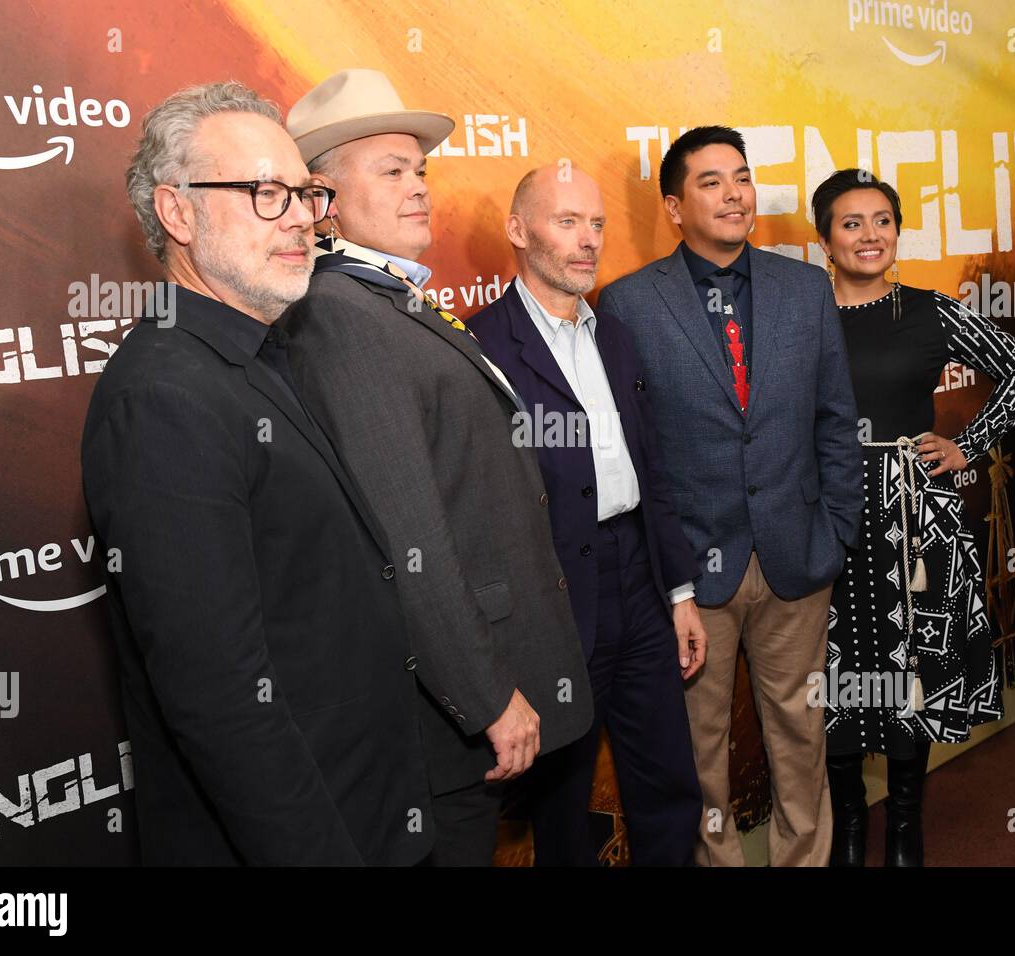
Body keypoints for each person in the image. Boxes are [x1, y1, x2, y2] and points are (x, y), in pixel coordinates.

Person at [81, 81, 431, 865]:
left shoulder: (259, 352)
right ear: (177, 213)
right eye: (265, 194)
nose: (304, 216)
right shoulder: (163, 398)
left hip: (369, 813)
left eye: (304, 192)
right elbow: (221, 701)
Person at [281, 69, 593, 865]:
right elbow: (406, 533)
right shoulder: (340, 318)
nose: (419, 187)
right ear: (322, 198)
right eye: (391, 171)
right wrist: (486, 696)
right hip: (445, 712)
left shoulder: (385, 299)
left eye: (419, 170)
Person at [598, 126, 864, 866]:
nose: (734, 193)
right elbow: (629, 446)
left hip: (797, 558)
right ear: (675, 206)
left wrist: (835, 528)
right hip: (689, 577)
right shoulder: (627, 302)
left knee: (801, 737)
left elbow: (835, 420)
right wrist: (666, 566)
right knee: (699, 752)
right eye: (711, 181)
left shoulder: (806, 288)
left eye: (742, 177)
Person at [465, 166, 705, 865]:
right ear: (518, 230)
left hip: (638, 577)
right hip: (554, 589)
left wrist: (681, 592)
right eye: (567, 221)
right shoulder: (481, 350)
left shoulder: (615, 336)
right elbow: (479, 514)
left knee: (667, 780)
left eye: (596, 224)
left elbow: (651, 470)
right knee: (562, 803)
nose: (587, 240)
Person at [811, 168, 1015, 866]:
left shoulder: (928, 310)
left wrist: (965, 443)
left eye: (882, 220)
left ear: (898, 230)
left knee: (910, 662)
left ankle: (906, 827)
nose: (869, 234)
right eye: (851, 223)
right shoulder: (802, 316)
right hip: (827, 509)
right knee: (834, 666)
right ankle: (849, 825)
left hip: (915, 513)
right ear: (824, 239)